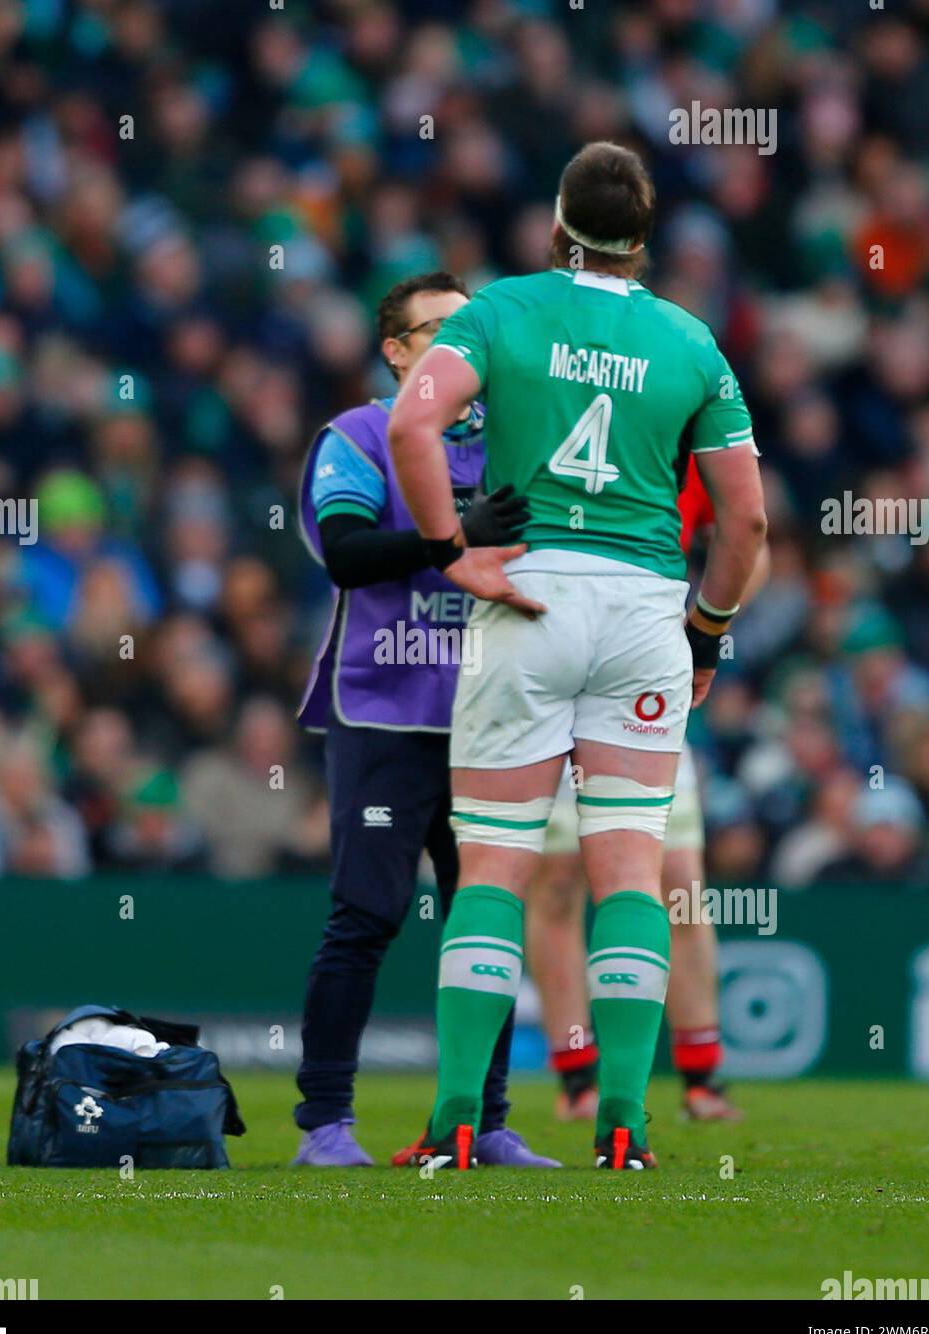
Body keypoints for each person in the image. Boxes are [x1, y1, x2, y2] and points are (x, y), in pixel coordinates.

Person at [388, 142, 767, 1171]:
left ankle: (458, 1122)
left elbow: (413, 425)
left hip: (531, 593)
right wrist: (707, 635)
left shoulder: (503, 311)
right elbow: (746, 523)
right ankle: (627, 1126)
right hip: (645, 610)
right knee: (631, 871)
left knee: (498, 869)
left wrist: (447, 551)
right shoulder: (692, 343)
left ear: (557, 227)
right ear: (643, 241)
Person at [293, 271, 557, 1168]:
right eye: (435, 328)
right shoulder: (361, 435)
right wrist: (454, 539)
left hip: (492, 719)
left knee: (484, 917)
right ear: (397, 352)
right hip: (385, 711)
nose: (456, 341)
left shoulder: (521, 436)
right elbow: (346, 554)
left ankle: (483, 1124)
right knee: (367, 914)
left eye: (467, 326)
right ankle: (326, 1126)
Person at [529, 461, 771, 1124]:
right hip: (559, 679)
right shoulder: (566, 416)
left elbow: (754, 540)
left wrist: (707, 614)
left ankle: (701, 1073)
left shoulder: (694, 437)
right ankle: (577, 1076)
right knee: (557, 882)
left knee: (679, 882)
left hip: (646, 674)